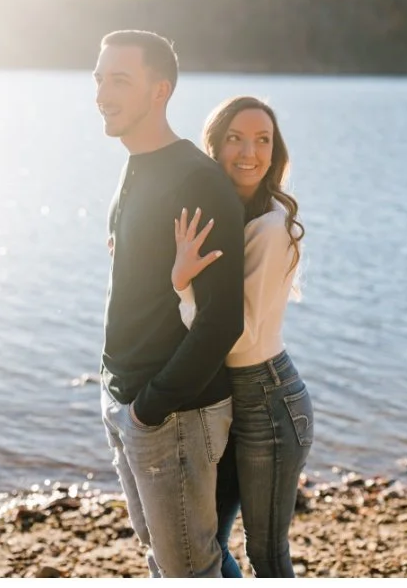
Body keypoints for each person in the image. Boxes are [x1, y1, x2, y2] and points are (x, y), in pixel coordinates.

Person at [94, 30, 245, 577]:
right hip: (124, 400)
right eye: (99, 78)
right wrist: (118, 393)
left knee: (191, 570)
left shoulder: (197, 181)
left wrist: (151, 409)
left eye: (120, 80)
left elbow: (222, 319)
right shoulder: (134, 166)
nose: (102, 94)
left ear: (160, 91)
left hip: (173, 415)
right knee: (169, 561)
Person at [170, 96, 313, 577]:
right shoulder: (231, 216)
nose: (249, 151)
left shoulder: (270, 227)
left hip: (269, 402)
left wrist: (180, 284)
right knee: (207, 541)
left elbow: (234, 333)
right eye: (235, 138)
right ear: (215, 145)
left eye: (262, 139)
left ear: (275, 152)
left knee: (267, 555)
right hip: (231, 397)